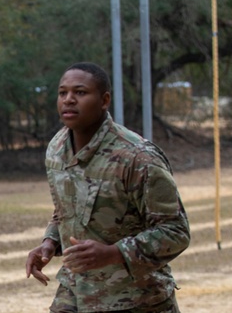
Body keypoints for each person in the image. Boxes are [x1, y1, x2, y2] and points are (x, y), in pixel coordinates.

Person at [25, 62, 190, 312]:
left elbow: (176, 231)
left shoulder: (137, 157)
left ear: (104, 100)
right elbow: (65, 210)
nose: (69, 100)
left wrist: (114, 253)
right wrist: (50, 242)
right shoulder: (57, 149)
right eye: (62, 93)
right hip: (75, 292)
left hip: (136, 299)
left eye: (80, 92)